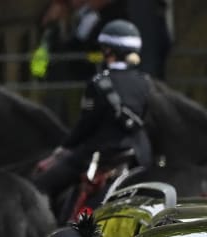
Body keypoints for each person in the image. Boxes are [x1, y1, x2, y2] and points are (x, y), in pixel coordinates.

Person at [32, 19, 152, 212]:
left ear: (108, 51)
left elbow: (86, 125)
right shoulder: (145, 82)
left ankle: (47, 228)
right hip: (138, 155)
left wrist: (63, 148)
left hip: (102, 153)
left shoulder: (98, 83)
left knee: (41, 185)